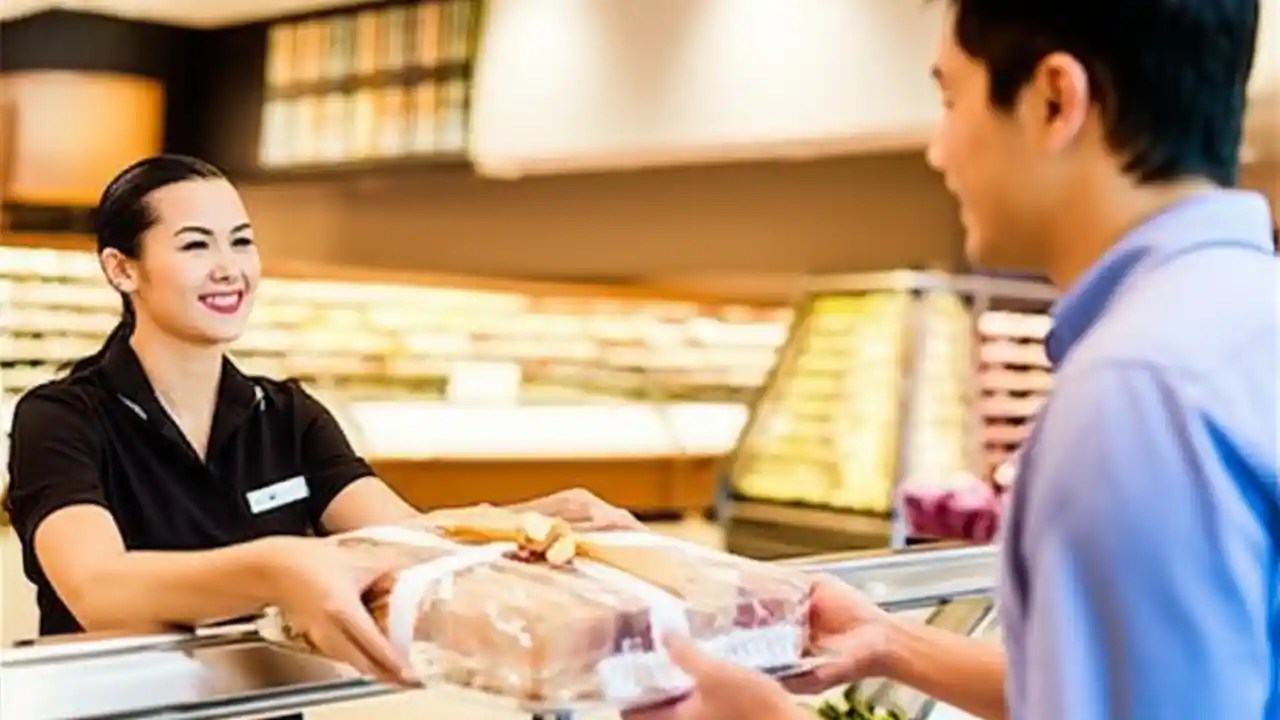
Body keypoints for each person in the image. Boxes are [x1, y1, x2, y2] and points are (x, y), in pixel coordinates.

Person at [629, 1, 1277, 718]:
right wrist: (888, 640)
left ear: (1054, 100)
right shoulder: (1243, 316)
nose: (937, 149)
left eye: (949, 98)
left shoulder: (1132, 395)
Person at [2, 154, 640, 685]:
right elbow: (98, 588)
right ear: (122, 268)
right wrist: (279, 566)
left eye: (242, 241)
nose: (230, 267)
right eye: (196, 245)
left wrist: (518, 524)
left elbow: (408, 543)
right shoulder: (61, 417)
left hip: (259, 705)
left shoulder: (288, 416)